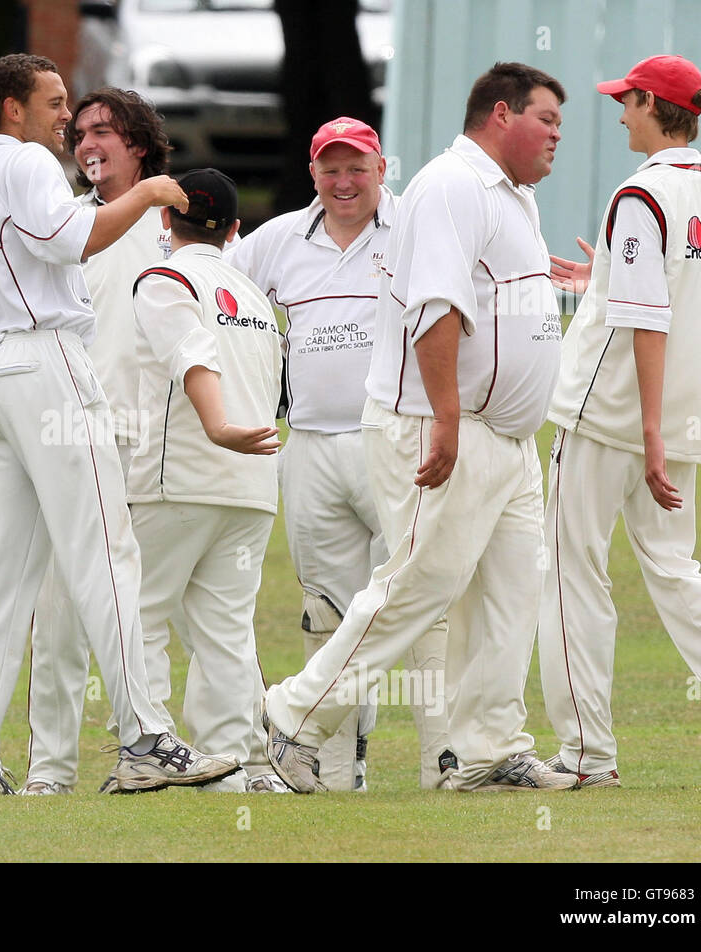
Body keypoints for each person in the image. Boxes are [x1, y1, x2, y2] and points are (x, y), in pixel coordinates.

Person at [261, 62, 579, 793]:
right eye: (548, 120)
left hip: (505, 438)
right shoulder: (450, 186)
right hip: (442, 427)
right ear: (502, 115)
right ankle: (292, 717)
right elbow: (434, 310)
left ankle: (488, 750)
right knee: (418, 583)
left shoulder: (515, 198)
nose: (558, 136)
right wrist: (444, 419)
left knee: (510, 591)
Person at [0, 53, 239, 795]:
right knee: (106, 551)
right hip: (47, 362)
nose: (62, 119)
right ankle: (146, 736)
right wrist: (144, 194)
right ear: (12, 108)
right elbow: (69, 243)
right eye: (52, 103)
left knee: (1, 579)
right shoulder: (29, 165)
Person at [538, 55, 701, 788]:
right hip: (683, 419)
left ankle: (587, 755)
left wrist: (648, 433)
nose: (620, 112)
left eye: (626, 101)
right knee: (676, 572)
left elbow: (649, 319)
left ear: (653, 105)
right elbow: (685, 298)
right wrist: (603, 285)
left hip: (612, 419)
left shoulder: (641, 195)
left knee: (569, 574)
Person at [228, 117, 452, 791]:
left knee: (417, 601)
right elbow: (216, 294)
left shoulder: (419, 228)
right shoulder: (277, 241)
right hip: (311, 445)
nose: (345, 182)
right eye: (331, 169)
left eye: (357, 168)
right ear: (312, 172)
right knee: (326, 609)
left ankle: (442, 762)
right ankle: (326, 771)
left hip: (398, 440)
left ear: (383, 166)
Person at [22, 86, 173, 796]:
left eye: (105, 131)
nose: (87, 142)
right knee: (58, 616)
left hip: (159, 452)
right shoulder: (67, 226)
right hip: (72, 438)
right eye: (79, 131)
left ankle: (152, 752)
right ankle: (50, 770)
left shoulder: (176, 224)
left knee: (148, 613)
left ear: (139, 143)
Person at [126, 168, 284, 793]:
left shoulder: (163, 276)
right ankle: (232, 767)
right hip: (250, 487)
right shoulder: (252, 295)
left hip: (181, 478)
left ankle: (147, 746)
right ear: (235, 231)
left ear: (166, 220)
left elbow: (192, 351)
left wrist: (216, 425)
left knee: (139, 615)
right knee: (225, 629)